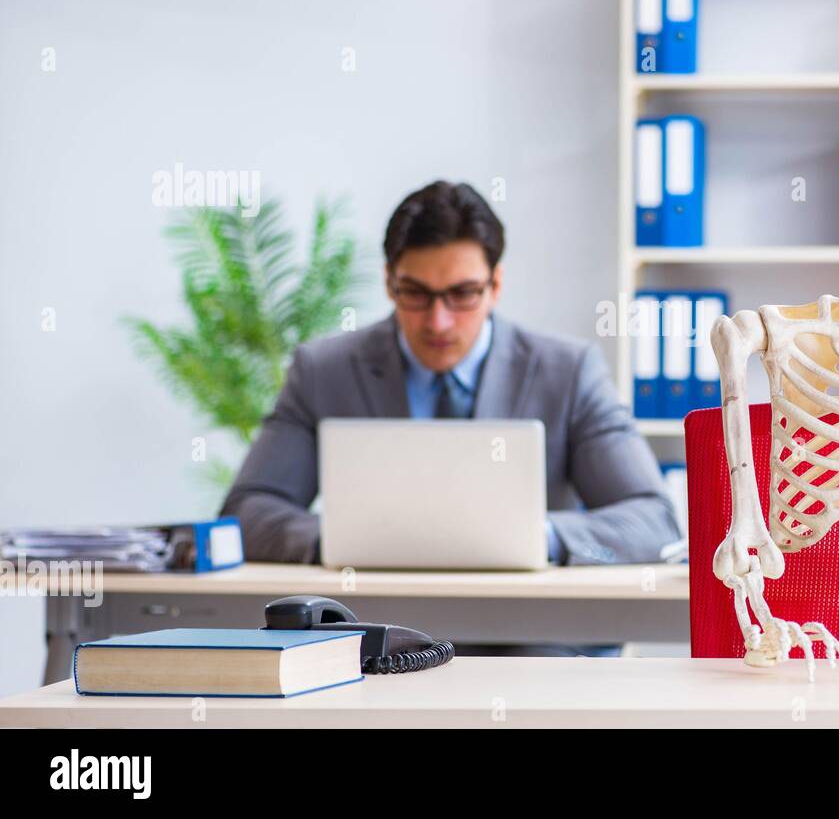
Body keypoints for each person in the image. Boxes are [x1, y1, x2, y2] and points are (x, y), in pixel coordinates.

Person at [220, 181, 679, 574]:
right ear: (388, 284)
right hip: (372, 634)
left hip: (530, 635)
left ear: (494, 286)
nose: (438, 322)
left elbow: (655, 522)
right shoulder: (324, 371)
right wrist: (341, 539)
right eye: (416, 294)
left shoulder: (568, 371)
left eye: (462, 294)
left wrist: (539, 537)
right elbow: (246, 514)